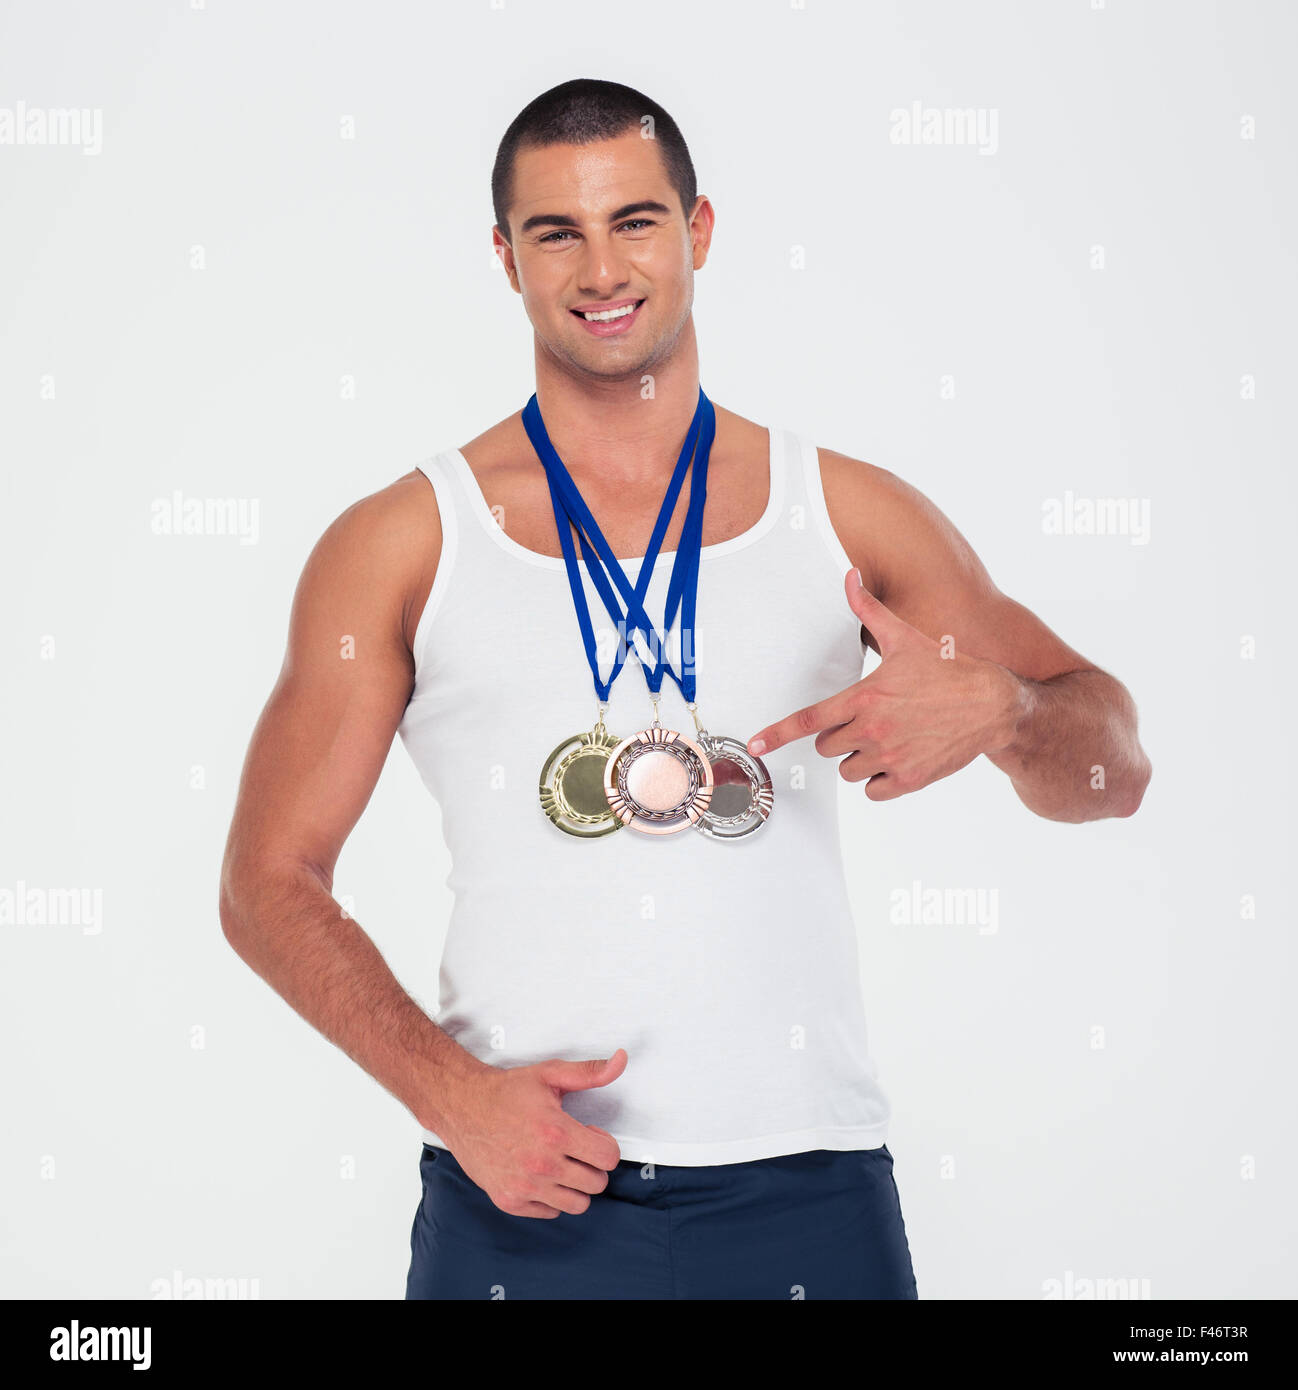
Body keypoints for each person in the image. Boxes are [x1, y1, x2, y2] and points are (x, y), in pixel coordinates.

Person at [218, 78, 1151, 1301]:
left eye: (636, 222)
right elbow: (264, 881)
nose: (602, 268)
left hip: (808, 1187)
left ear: (698, 232)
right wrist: (452, 1098)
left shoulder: (845, 512)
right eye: (557, 231)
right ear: (505, 258)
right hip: (526, 1189)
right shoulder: (402, 540)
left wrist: (1010, 713)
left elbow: (1113, 769)